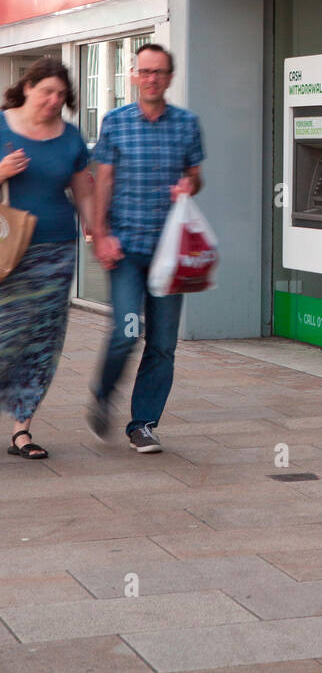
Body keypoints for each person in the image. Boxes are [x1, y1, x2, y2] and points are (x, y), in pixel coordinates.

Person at [87, 43, 205, 454]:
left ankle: (143, 424)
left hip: (169, 253)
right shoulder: (115, 122)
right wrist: (100, 233)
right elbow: (103, 181)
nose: (152, 78)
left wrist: (190, 185)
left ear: (170, 77)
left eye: (159, 72)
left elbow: (196, 175)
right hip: (126, 248)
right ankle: (102, 394)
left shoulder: (188, 124)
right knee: (125, 331)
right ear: (133, 76)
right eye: (145, 71)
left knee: (162, 343)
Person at [0, 58, 93, 460]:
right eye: (47, 92)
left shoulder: (70, 137)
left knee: (42, 342)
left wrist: (95, 230)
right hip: (6, 251)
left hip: (56, 250)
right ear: (27, 88)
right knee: (5, 339)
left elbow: (83, 189)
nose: (54, 100)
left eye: (61, 94)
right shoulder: (1, 126)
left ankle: (23, 431)